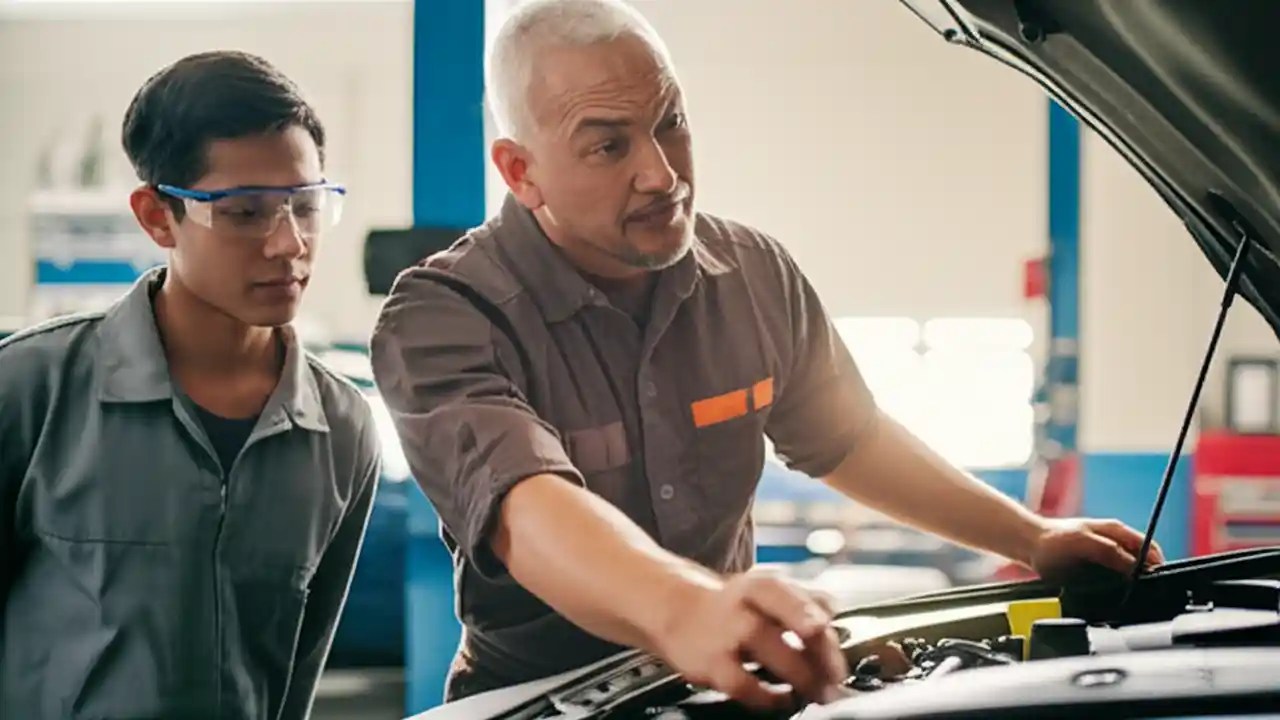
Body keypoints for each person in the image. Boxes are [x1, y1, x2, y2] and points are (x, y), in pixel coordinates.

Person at [370, 0, 1163, 711]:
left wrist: (1028, 537)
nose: (662, 173)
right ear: (521, 171)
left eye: (671, 122)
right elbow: (523, 504)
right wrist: (687, 610)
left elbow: (849, 439)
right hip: (541, 699)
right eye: (608, 146)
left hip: (724, 685)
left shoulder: (753, 275)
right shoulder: (444, 315)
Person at [0, 51, 380, 719]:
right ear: (155, 217)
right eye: (245, 213)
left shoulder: (340, 429)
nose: (289, 244)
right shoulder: (32, 390)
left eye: (306, 206)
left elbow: (297, 674)